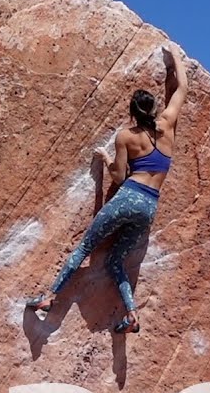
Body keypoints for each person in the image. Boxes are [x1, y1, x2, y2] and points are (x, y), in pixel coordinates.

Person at [26, 46, 188, 334]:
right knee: (115, 260)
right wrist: (174, 56)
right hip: (149, 206)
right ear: (153, 109)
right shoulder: (167, 125)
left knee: (86, 248)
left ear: (132, 113)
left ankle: (50, 298)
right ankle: (131, 314)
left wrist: (105, 159)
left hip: (128, 196)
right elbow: (182, 86)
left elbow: (118, 174)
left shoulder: (126, 136)